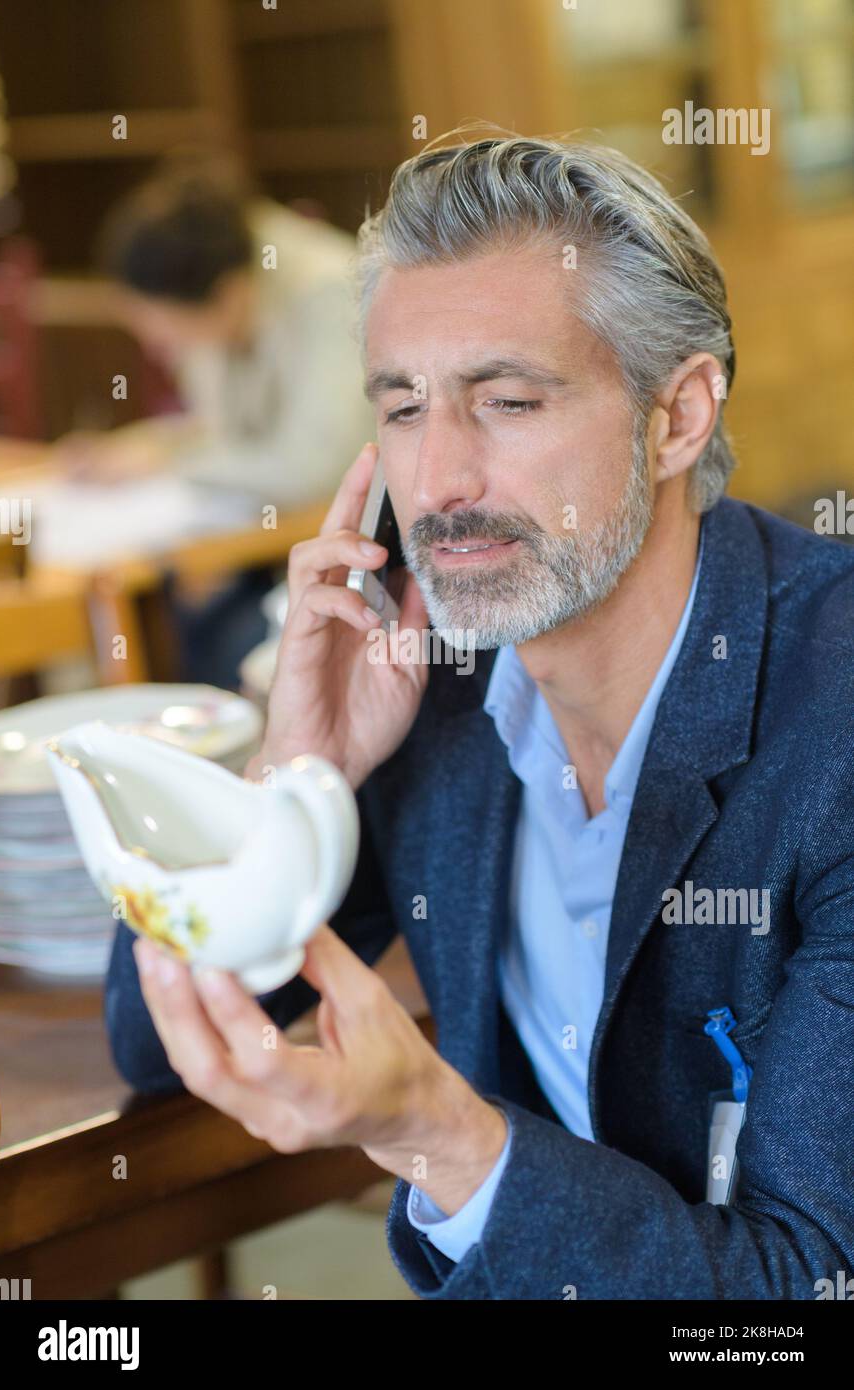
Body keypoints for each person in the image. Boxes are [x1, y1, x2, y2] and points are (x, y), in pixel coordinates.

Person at [103, 133, 854, 1299]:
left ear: (679, 416)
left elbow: (800, 1289)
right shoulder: (428, 677)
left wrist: (439, 1134)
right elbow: (152, 1042)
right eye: (400, 408)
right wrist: (301, 767)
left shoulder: (834, 719)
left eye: (504, 401)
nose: (438, 480)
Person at [58, 163, 375, 686]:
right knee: (182, 619)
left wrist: (173, 464)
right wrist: (140, 447)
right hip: (264, 542)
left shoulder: (329, 291)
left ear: (227, 294)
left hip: (350, 551)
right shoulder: (221, 271)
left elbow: (314, 467)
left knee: (216, 640)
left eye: (169, 332)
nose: (162, 350)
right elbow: (222, 431)